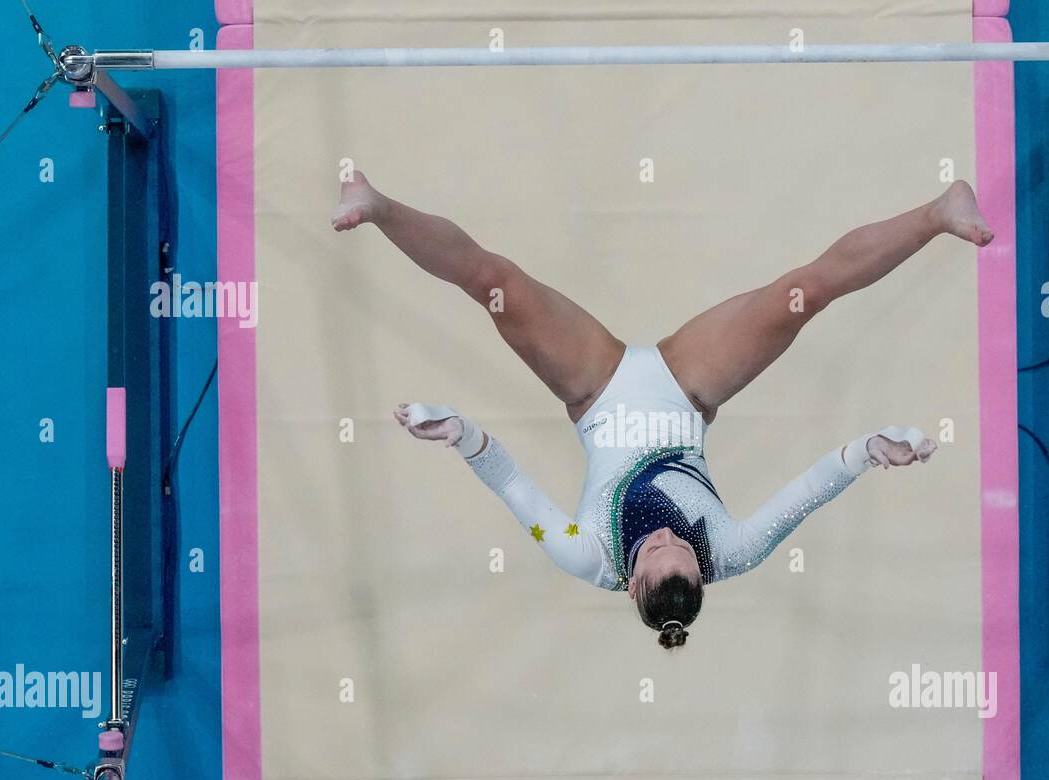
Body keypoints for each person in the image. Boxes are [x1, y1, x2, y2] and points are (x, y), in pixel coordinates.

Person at [334, 173, 993, 648]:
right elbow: (810, 490)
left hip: (596, 393)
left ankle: (377, 205)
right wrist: (871, 451)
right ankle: (940, 210)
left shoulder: (586, 556)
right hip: (687, 391)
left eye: (655, 550)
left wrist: (460, 433)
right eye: (684, 548)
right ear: (701, 569)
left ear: (629, 584)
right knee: (803, 293)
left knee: (494, 284)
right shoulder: (730, 550)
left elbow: (510, 484)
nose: (672, 540)